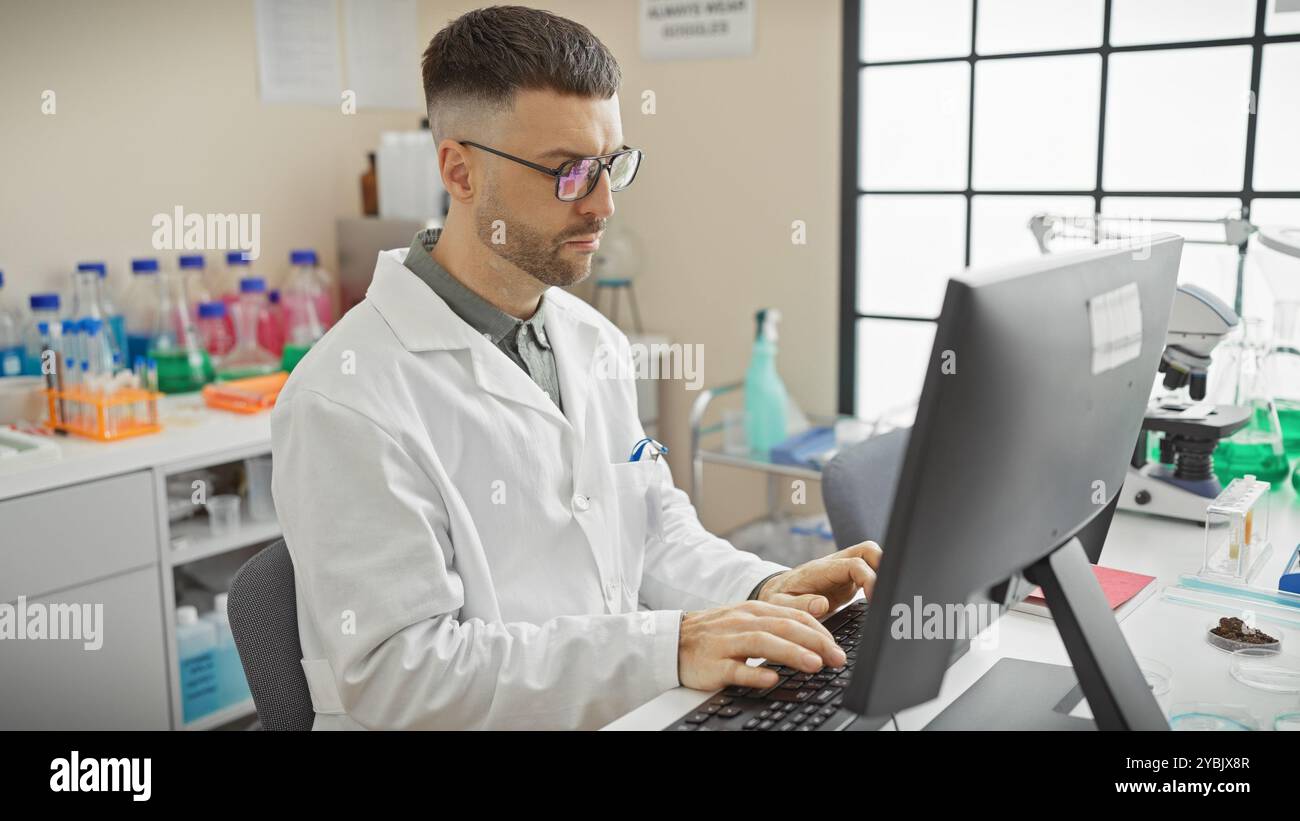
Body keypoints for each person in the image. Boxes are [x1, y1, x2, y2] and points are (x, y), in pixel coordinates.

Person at [271, 5, 882, 730]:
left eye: (611, 164)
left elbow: (654, 530)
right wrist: (668, 645)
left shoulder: (592, 340)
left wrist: (765, 587)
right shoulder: (343, 399)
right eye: (568, 172)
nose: (603, 204)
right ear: (459, 171)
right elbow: (403, 676)